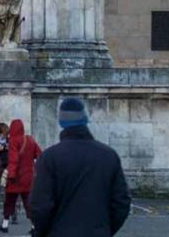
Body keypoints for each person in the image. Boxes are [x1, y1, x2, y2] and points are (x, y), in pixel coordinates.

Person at [28, 96, 131, 237]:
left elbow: (40, 205)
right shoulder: (108, 156)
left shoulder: (49, 157)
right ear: (85, 119)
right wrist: (105, 229)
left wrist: (42, 232)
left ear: (61, 122)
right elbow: (121, 203)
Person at [2, 117, 42, 231]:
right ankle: (34, 226)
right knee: (28, 203)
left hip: (16, 178)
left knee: (9, 201)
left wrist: (11, 175)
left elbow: (13, 160)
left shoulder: (13, 140)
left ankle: (5, 225)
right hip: (28, 177)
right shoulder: (30, 139)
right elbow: (39, 154)